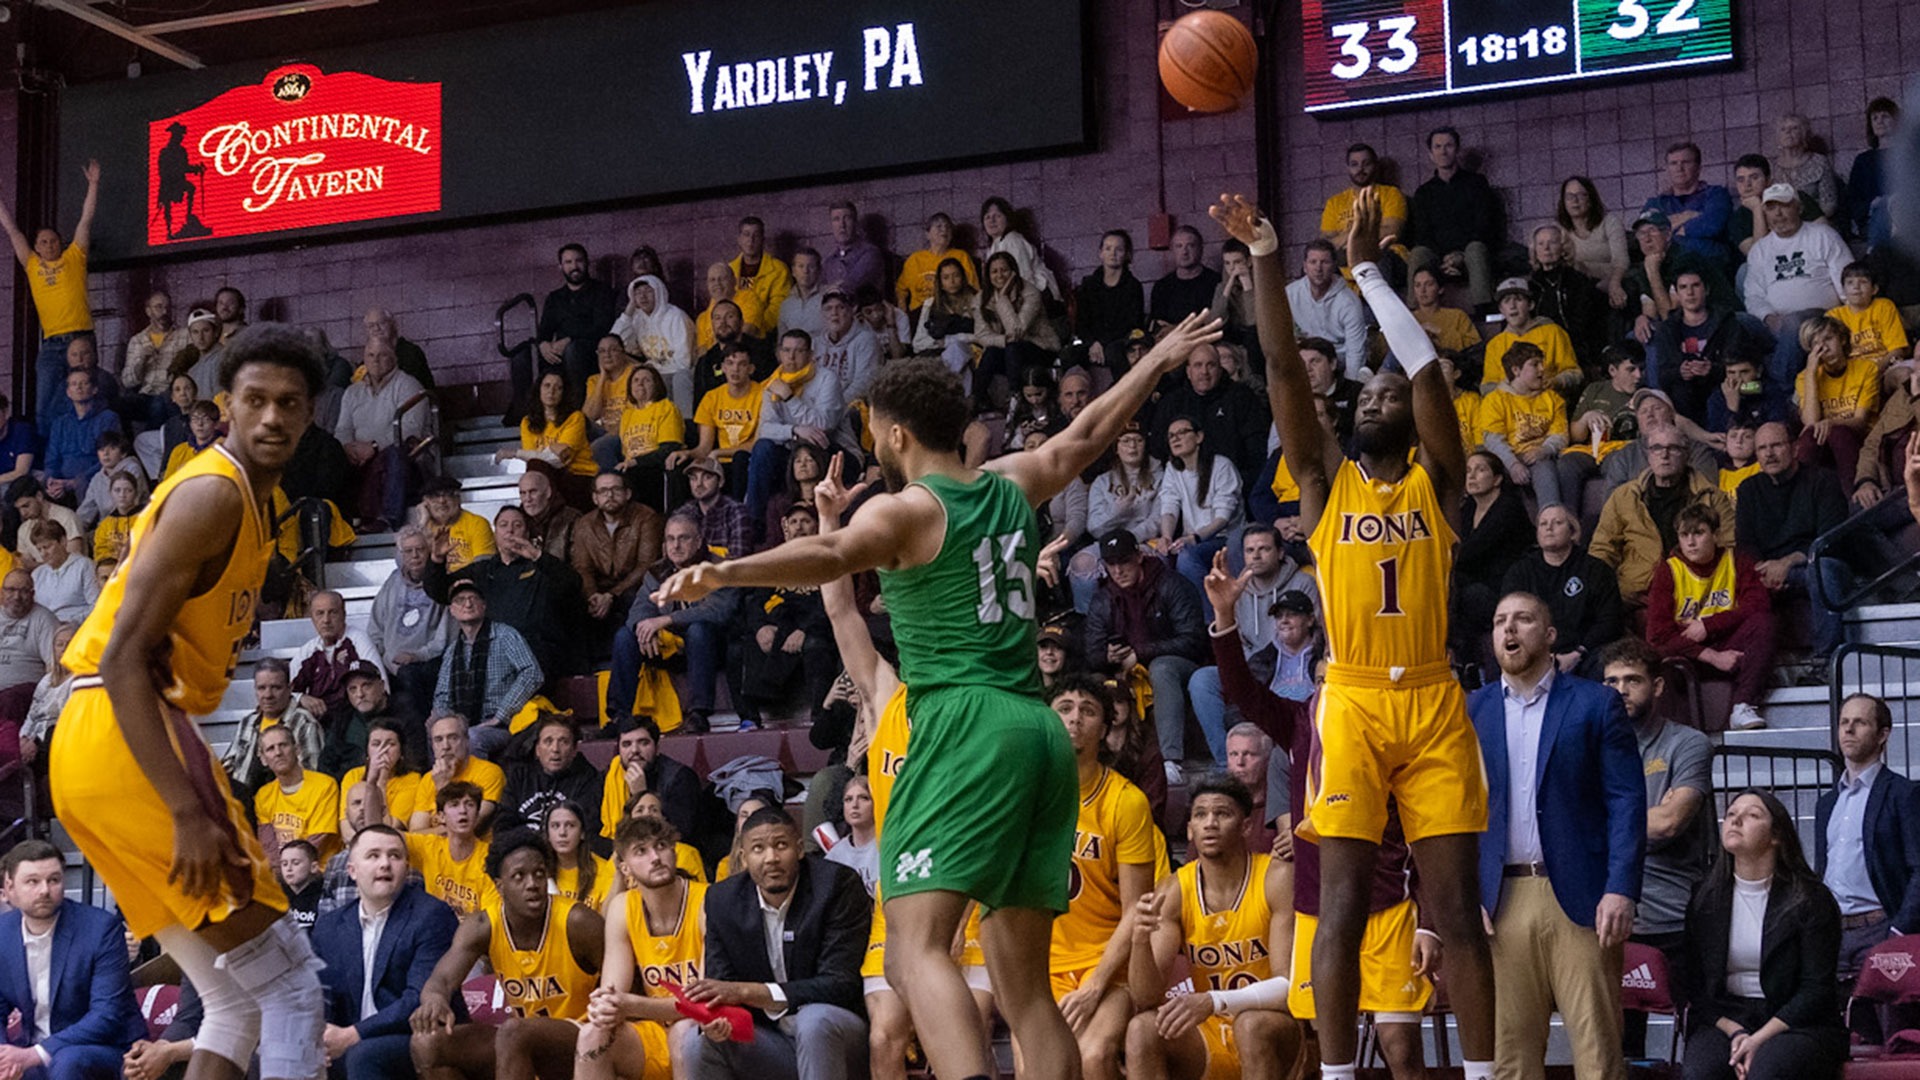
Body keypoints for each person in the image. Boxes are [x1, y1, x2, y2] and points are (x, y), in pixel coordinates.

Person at [653, 301, 1224, 1080]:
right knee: (1022, 982)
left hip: (961, 723)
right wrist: (1156, 361)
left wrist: (726, 570)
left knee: (916, 942)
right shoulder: (1009, 482)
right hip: (1036, 729)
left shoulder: (909, 509)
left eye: (872, 428)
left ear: (895, 434)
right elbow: (1086, 435)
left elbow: (831, 552)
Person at [1219, 186, 1496, 1080]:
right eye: (1366, 392)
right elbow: (1280, 368)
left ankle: (1489, 1074)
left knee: (1455, 911)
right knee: (1337, 908)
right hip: (1350, 703)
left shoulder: (1440, 485)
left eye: (1386, 393)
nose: (1377, 398)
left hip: (1432, 695)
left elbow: (1424, 372)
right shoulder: (1323, 482)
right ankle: (1338, 1076)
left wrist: (1368, 271)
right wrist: (1267, 258)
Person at [49, 323, 331, 1080]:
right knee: (293, 992)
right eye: (256, 400)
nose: (273, 417)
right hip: (123, 728)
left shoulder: (247, 499)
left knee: (233, 1000)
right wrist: (184, 810)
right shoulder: (213, 493)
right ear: (224, 407)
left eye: (290, 403)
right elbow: (119, 657)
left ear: (309, 417)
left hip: (94, 745)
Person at [1200, 550, 1428, 1080]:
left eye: (1338, 679)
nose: (1329, 690)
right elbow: (1242, 692)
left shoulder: (1390, 725)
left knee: (1399, 1046)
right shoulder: (1301, 719)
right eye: (1321, 678)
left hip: (1385, 897)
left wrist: (1431, 918)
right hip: (1316, 900)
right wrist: (1226, 620)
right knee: (1330, 1047)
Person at [1471, 592, 1645, 1080]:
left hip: (1583, 894)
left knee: (1597, 1048)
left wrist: (1620, 888)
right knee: (1512, 1054)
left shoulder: (1595, 703)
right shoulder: (1471, 711)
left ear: (1549, 635)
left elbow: (1626, 801)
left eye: (1523, 619)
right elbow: (1455, 812)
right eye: (1500, 620)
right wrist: (1465, 893)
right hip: (1500, 898)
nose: (1509, 629)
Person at [1124, 777, 1303, 1080]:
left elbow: (1288, 986)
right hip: (1208, 1029)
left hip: (1272, 1026)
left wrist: (1215, 1001)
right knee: (1141, 1029)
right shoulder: (1174, 889)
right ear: (1189, 830)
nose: (1210, 823)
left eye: (1222, 814)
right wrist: (1140, 941)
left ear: (1246, 826)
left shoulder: (1275, 877)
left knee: (1250, 1026)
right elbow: (1146, 996)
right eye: (1200, 815)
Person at [686, 805, 871, 1079]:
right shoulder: (722, 900)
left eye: (781, 845)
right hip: (773, 1044)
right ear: (743, 857)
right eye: (758, 849)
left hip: (840, 1040)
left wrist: (752, 992)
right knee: (697, 1042)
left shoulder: (835, 885)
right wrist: (718, 1021)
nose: (771, 858)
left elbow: (840, 984)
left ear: (799, 849)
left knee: (813, 1021)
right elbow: (721, 984)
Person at [1598, 638, 1715, 1056]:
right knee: (1619, 1052)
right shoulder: (1592, 747)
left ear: (1659, 686)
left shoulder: (1687, 743)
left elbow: (1669, 823)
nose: (1620, 690)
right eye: (1611, 681)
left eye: (1632, 680)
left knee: (1699, 1044)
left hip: (1675, 918)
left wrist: (1597, 820)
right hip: (1609, 918)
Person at [409, 831, 604, 1080]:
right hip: (518, 1039)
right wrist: (435, 1000)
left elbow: (626, 985)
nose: (532, 883)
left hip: (581, 1037)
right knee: (426, 1043)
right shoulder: (482, 925)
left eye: (539, 874)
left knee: (514, 1031)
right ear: (500, 886)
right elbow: (441, 980)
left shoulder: (578, 921)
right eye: (519, 876)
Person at [1680, 789, 1847, 1080]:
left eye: (1752, 815)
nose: (1736, 820)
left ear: (1776, 836)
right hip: (1728, 1019)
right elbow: (1694, 985)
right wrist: (1738, 1033)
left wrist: (1758, 1039)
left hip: (1796, 1022)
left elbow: (1816, 989)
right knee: (1700, 1072)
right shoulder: (1705, 898)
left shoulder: (1811, 898)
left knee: (1767, 1072)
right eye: (1731, 814)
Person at [1046, 676, 1164, 1080]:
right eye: (1064, 708)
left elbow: (1136, 908)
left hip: (1108, 966)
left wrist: (1095, 984)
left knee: (1093, 1056)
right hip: (1044, 966)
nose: (1075, 718)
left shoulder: (1126, 801)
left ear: (1105, 728)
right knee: (1042, 1068)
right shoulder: (1024, 794)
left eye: (1088, 710)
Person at [312, 825, 462, 1080]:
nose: (385, 864)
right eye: (373, 856)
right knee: (277, 1054)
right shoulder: (329, 926)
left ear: (406, 867)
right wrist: (318, 1037)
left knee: (364, 1054)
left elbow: (418, 999)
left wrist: (351, 1035)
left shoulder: (431, 915)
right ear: (352, 870)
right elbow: (319, 993)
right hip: (350, 1039)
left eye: (395, 856)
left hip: (418, 1038)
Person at [572, 815, 704, 1080]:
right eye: (640, 851)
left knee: (683, 1032)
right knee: (591, 1034)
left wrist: (630, 1005)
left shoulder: (707, 901)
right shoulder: (622, 907)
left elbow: (703, 1005)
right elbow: (614, 992)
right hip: (655, 1034)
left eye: (662, 845)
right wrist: (605, 1006)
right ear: (624, 867)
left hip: (707, 1032)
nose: (655, 857)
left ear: (674, 851)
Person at [0, 840, 145, 1080]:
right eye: (32, 881)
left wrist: (34, 1054)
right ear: (9, 886)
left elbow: (106, 1015)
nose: (45, 890)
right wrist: (4, 1055)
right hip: (33, 1049)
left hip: (105, 1049)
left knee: (67, 1061)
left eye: (54, 880)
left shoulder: (100, 929)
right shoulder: (3, 932)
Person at [1085, 531, 1209, 777]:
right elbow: (1091, 652)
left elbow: (1194, 641)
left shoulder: (1172, 585)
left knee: (1161, 668)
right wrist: (1107, 656)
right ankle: (1092, 759)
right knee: (1093, 683)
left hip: (1182, 667)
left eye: (1124, 562)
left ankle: (1171, 760)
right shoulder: (1103, 598)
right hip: (1127, 668)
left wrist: (1140, 654)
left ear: (1139, 557)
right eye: (1111, 564)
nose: (1118, 570)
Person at [1814, 693, 1920, 978]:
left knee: (1885, 1020)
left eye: (1859, 722)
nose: (1848, 730)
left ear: (1883, 734)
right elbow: (1822, 869)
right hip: (1832, 933)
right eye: (1843, 722)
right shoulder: (1826, 803)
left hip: (1880, 928)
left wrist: (1899, 929)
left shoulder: (1904, 794)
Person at [1648, 503, 1777, 729]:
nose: (1690, 542)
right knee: (1659, 654)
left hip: (1730, 643)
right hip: (1689, 655)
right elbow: (1658, 635)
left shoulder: (1736, 560)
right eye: (1684, 534)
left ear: (1715, 535)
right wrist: (1711, 656)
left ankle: (1742, 705)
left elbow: (1758, 605)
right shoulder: (1669, 570)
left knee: (1763, 623)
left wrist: (1707, 625)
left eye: (1698, 533)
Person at [1734, 421, 1851, 662]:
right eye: (1762, 448)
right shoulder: (1748, 489)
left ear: (1795, 448)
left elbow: (1830, 540)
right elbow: (1745, 544)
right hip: (1768, 571)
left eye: (1776, 445)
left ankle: (1825, 660)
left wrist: (1786, 563)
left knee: (1823, 570)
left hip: (1814, 564)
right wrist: (1764, 572)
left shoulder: (1823, 481)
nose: (1769, 454)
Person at [612, 513, 739, 733]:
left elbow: (718, 612)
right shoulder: (657, 571)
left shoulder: (720, 568)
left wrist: (666, 620)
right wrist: (644, 627)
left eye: (683, 538)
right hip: (668, 647)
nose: (676, 546)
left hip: (712, 648)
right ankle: (618, 718)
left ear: (699, 541)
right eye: (670, 539)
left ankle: (699, 714)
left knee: (699, 630)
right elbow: (639, 609)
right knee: (625, 635)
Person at [423, 504, 581, 680]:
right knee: (423, 674)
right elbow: (439, 592)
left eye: (517, 525)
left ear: (527, 533)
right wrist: (436, 560)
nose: (510, 531)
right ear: (495, 533)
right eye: (503, 525)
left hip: (536, 652)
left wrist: (537, 556)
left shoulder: (542, 567)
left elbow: (573, 584)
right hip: (489, 651)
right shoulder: (482, 570)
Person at [0, 159, 100, 428]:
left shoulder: (74, 257)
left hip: (81, 338)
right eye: (43, 242)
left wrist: (93, 184)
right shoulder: (32, 264)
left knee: (87, 399)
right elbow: (12, 230)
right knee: (44, 405)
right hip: (52, 342)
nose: (49, 244)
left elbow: (86, 220)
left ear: (61, 243)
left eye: (53, 240)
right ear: (37, 247)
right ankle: (45, 464)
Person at [1591, 428, 1735, 609]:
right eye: (1657, 448)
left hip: (1696, 594)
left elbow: (1728, 545)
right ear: (1648, 455)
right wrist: (1604, 590)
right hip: (1638, 593)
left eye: (1673, 448)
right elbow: (1603, 548)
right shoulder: (1624, 496)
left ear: (1686, 454)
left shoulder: (1712, 497)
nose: (1664, 455)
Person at [1745, 184, 1853, 386]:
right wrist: (1768, 318)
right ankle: (1736, 394)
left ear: (1799, 208)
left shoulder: (1823, 235)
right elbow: (1753, 296)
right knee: (1736, 321)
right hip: (1773, 323)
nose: (1778, 213)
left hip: (1819, 317)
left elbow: (1846, 279)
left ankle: (1779, 389)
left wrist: (1851, 315)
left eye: (1784, 206)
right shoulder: (1760, 249)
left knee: (1794, 323)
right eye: (1771, 208)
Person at [1502, 505, 1625, 674]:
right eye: (1543, 524)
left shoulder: (1596, 570)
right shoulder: (1520, 572)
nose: (1549, 528)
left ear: (1573, 532)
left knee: (1605, 663)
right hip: (1535, 653)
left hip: (1586, 653)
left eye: (1557, 522)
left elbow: (1610, 621)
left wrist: (1578, 652)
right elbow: (1510, 617)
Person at [430, 579, 544, 760]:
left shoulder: (505, 635)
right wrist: (450, 725)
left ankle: (476, 787)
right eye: (460, 600)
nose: (468, 604)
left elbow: (532, 673)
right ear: (452, 610)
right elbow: (441, 696)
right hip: (462, 726)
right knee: (436, 735)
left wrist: (500, 715)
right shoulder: (452, 651)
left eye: (473, 598)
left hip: (504, 725)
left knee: (473, 738)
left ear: (484, 606)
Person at [1649, 271, 1775, 423]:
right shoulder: (1667, 329)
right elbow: (1662, 376)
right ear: (1676, 294)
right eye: (1683, 287)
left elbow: (1745, 369)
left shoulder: (1728, 322)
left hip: (1726, 388)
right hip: (1684, 398)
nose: (1690, 292)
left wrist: (1712, 369)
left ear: (1706, 289)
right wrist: (1680, 372)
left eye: (1695, 285)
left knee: (1752, 388)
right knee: (1677, 392)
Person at [1452, 450, 1535, 672]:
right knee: (1453, 587)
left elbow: (1471, 552)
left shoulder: (1508, 507)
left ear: (1497, 479)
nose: (1472, 476)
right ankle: (1463, 661)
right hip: (1476, 582)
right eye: (1468, 470)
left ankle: (1466, 661)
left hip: (1506, 590)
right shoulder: (1468, 509)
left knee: (1460, 590)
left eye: (1480, 470)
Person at [334, 338, 429, 530]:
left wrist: (374, 447)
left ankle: (388, 517)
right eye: (370, 355)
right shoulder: (352, 392)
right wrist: (348, 448)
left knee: (395, 453)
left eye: (382, 355)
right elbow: (342, 429)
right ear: (364, 359)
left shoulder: (409, 385)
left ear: (393, 358)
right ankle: (341, 524)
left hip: (405, 463)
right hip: (360, 459)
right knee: (330, 455)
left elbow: (411, 429)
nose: (376, 360)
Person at [1155, 413, 1245, 607]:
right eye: (1171, 436)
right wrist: (1166, 537)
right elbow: (1169, 506)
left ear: (1199, 437)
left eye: (1182, 432)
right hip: (1193, 539)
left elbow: (1222, 518)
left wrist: (1194, 538)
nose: (1176, 438)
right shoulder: (1173, 469)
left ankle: (1210, 620)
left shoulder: (1221, 465)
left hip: (1225, 539)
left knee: (1187, 556)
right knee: (1159, 555)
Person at [1406, 126, 1502, 308]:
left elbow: (1484, 225)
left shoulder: (1477, 183)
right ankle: (1413, 312)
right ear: (1431, 154)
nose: (1443, 151)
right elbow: (1422, 232)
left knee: (1475, 249)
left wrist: (1459, 255)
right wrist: (1445, 259)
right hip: (1439, 258)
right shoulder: (1424, 193)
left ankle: (1485, 312)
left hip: (1470, 254)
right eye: (1438, 146)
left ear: (1457, 150)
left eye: (1448, 145)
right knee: (1418, 253)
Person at [572, 471, 664, 648]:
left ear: (628, 493)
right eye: (603, 491)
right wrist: (593, 596)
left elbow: (646, 565)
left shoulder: (646, 517)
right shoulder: (584, 524)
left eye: (616, 489)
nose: (610, 495)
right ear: (595, 498)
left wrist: (612, 595)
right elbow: (582, 567)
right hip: (599, 589)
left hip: (634, 587)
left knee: (632, 598)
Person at [1478, 342, 1570, 506]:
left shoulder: (1553, 399)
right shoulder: (1495, 400)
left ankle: (1550, 517)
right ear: (1516, 370)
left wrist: (1544, 450)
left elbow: (1560, 435)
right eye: (1535, 365)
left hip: (1540, 458)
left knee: (1545, 467)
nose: (1542, 369)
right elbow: (1493, 440)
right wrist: (1513, 464)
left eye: (1541, 363)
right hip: (1505, 459)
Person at [1796, 314, 1880, 484]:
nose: (1824, 348)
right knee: (1809, 437)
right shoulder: (1804, 377)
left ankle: (1853, 496)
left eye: (1828, 339)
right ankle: (1802, 497)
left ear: (1841, 339)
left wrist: (1832, 422)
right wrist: (1811, 373)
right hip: (1824, 444)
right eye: (1816, 345)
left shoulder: (1866, 368)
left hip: (1859, 438)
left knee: (1838, 432)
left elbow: (1860, 421)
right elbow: (1811, 422)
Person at [534, 242, 620, 400]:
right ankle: (529, 412)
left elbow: (602, 327)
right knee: (525, 354)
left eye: (578, 260)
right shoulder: (555, 298)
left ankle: (579, 407)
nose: (574, 266)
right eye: (568, 262)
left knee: (573, 350)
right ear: (560, 266)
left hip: (592, 349)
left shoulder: (602, 291)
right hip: (561, 352)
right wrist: (543, 344)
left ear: (586, 263)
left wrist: (569, 339)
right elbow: (544, 330)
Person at [254, 723, 344, 866]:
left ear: (297, 749)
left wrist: (287, 872)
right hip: (283, 873)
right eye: (270, 749)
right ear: (263, 759)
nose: (278, 752)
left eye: (283, 745)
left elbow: (317, 842)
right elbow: (268, 846)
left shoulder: (324, 785)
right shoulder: (263, 795)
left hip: (318, 874)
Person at [291, 589, 383, 722]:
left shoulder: (358, 640)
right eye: (320, 614)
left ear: (344, 615)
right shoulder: (306, 652)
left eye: (332, 612)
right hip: (320, 721)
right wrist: (301, 698)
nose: (326, 620)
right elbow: (285, 695)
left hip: (356, 719)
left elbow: (381, 686)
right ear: (312, 618)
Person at [1641, 142, 1736, 269]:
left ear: (1698, 167)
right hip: (1670, 270)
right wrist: (1689, 216)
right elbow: (1647, 236)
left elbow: (1712, 225)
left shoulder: (1716, 194)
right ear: (1667, 169)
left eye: (1685, 162)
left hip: (1711, 266)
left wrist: (1671, 231)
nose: (1679, 168)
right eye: (1673, 163)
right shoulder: (1656, 203)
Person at [407, 714, 505, 834]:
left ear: (467, 741)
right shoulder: (428, 778)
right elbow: (416, 833)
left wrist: (443, 787)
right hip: (432, 850)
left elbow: (470, 827)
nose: (445, 746)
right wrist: (442, 831)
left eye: (453, 738)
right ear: (432, 746)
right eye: (438, 740)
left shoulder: (489, 772)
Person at [612, 275, 697, 413]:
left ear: (658, 292)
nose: (643, 296)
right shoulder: (637, 319)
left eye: (648, 291)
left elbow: (685, 361)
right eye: (638, 293)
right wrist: (629, 310)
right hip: (656, 371)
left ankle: (686, 427)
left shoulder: (675, 316)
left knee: (678, 379)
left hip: (682, 371)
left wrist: (655, 373)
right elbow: (615, 342)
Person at [1286, 241, 1369, 379]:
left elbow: (1355, 352)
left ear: (1333, 266)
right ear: (1305, 266)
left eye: (1324, 262)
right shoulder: (1291, 294)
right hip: (1305, 359)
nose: (1318, 268)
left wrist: (1350, 387)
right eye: (1313, 262)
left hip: (1337, 364)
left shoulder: (1349, 302)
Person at [42, 369, 119, 502]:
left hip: (92, 479)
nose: (78, 387)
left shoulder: (108, 418)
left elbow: (109, 459)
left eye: (84, 383)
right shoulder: (60, 423)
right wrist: (52, 481)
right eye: (73, 384)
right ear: (68, 392)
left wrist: (75, 482)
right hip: (62, 483)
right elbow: (52, 460)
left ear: (94, 389)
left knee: (83, 485)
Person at [1075, 229, 1146, 367]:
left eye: (1118, 249)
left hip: (1120, 340)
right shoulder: (1088, 285)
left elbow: (1132, 324)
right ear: (1100, 253)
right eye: (1108, 248)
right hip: (1093, 343)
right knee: (1069, 354)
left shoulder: (1133, 286)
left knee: (1114, 353)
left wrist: (1102, 342)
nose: (1113, 253)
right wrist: (1092, 343)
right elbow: (1081, 323)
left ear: (1126, 254)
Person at [1559, 176, 1630, 306]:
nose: (1575, 201)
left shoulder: (1610, 222)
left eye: (1581, 195)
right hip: (1577, 288)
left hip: (1610, 281)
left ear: (1591, 199)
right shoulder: (1559, 230)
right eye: (1569, 196)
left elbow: (1621, 261)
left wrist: (1614, 284)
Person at [899, 212, 978, 314]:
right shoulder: (915, 259)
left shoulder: (961, 256)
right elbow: (901, 289)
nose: (944, 230)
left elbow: (973, 288)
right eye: (939, 226)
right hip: (920, 312)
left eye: (948, 227)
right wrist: (903, 311)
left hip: (952, 311)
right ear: (928, 234)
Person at [1848, 98, 1901, 249]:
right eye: (1875, 118)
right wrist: (1873, 204)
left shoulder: (1910, 155)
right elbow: (1853, 200)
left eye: (1885, 116)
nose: (1879, 121)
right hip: (1874, 218)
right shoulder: (1863, 161)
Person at [1149, 226, 1222, 331]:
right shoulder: (1162, 287)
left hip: (1207, 341)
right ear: (1172, 251)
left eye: (1191, 246)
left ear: (1200, 249)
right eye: (1179, 246)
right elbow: (1158, 325)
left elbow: (1216, 322)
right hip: (1172, 343)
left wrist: (1176, 328)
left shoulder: (1215, 282)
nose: (1184, 252)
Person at [1772, 113, 1841, 222]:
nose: (1788, 132)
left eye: (1794, 128)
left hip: (1815, 223)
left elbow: (1829, 204)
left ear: (1804, 133)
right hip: (1781, 225)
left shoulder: (1819, 162)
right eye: (1783, 129)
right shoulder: (1772, 167)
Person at [27, 519, 96, 624]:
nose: (43, 554)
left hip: (77, 628)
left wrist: (72, 622)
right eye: (39, 549)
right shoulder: (37, 574)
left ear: (63, 541)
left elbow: (96, 605)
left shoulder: (84, 566)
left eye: (47, 547)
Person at [823, 200, 886, 299]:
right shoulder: (829, 262)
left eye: (847, 218)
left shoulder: (870, 253)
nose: (842, 225)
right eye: (836, 219)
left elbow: (851, 285)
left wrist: (829, 289)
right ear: (831, 225)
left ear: (855, 222)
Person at [519, 469, 582, 561]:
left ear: (548, 492)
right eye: (523, 493)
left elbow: (580, 564)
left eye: (533, 492)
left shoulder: (572, 519)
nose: (528, 499)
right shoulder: (517, 520)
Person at [779, 248, 830, 342]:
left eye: (811, 266)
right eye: (801, 266)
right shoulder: (786, 305)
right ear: (793, 271)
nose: (805, 271)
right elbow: (781, 342)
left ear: (819, 270)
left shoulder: (829, 298)